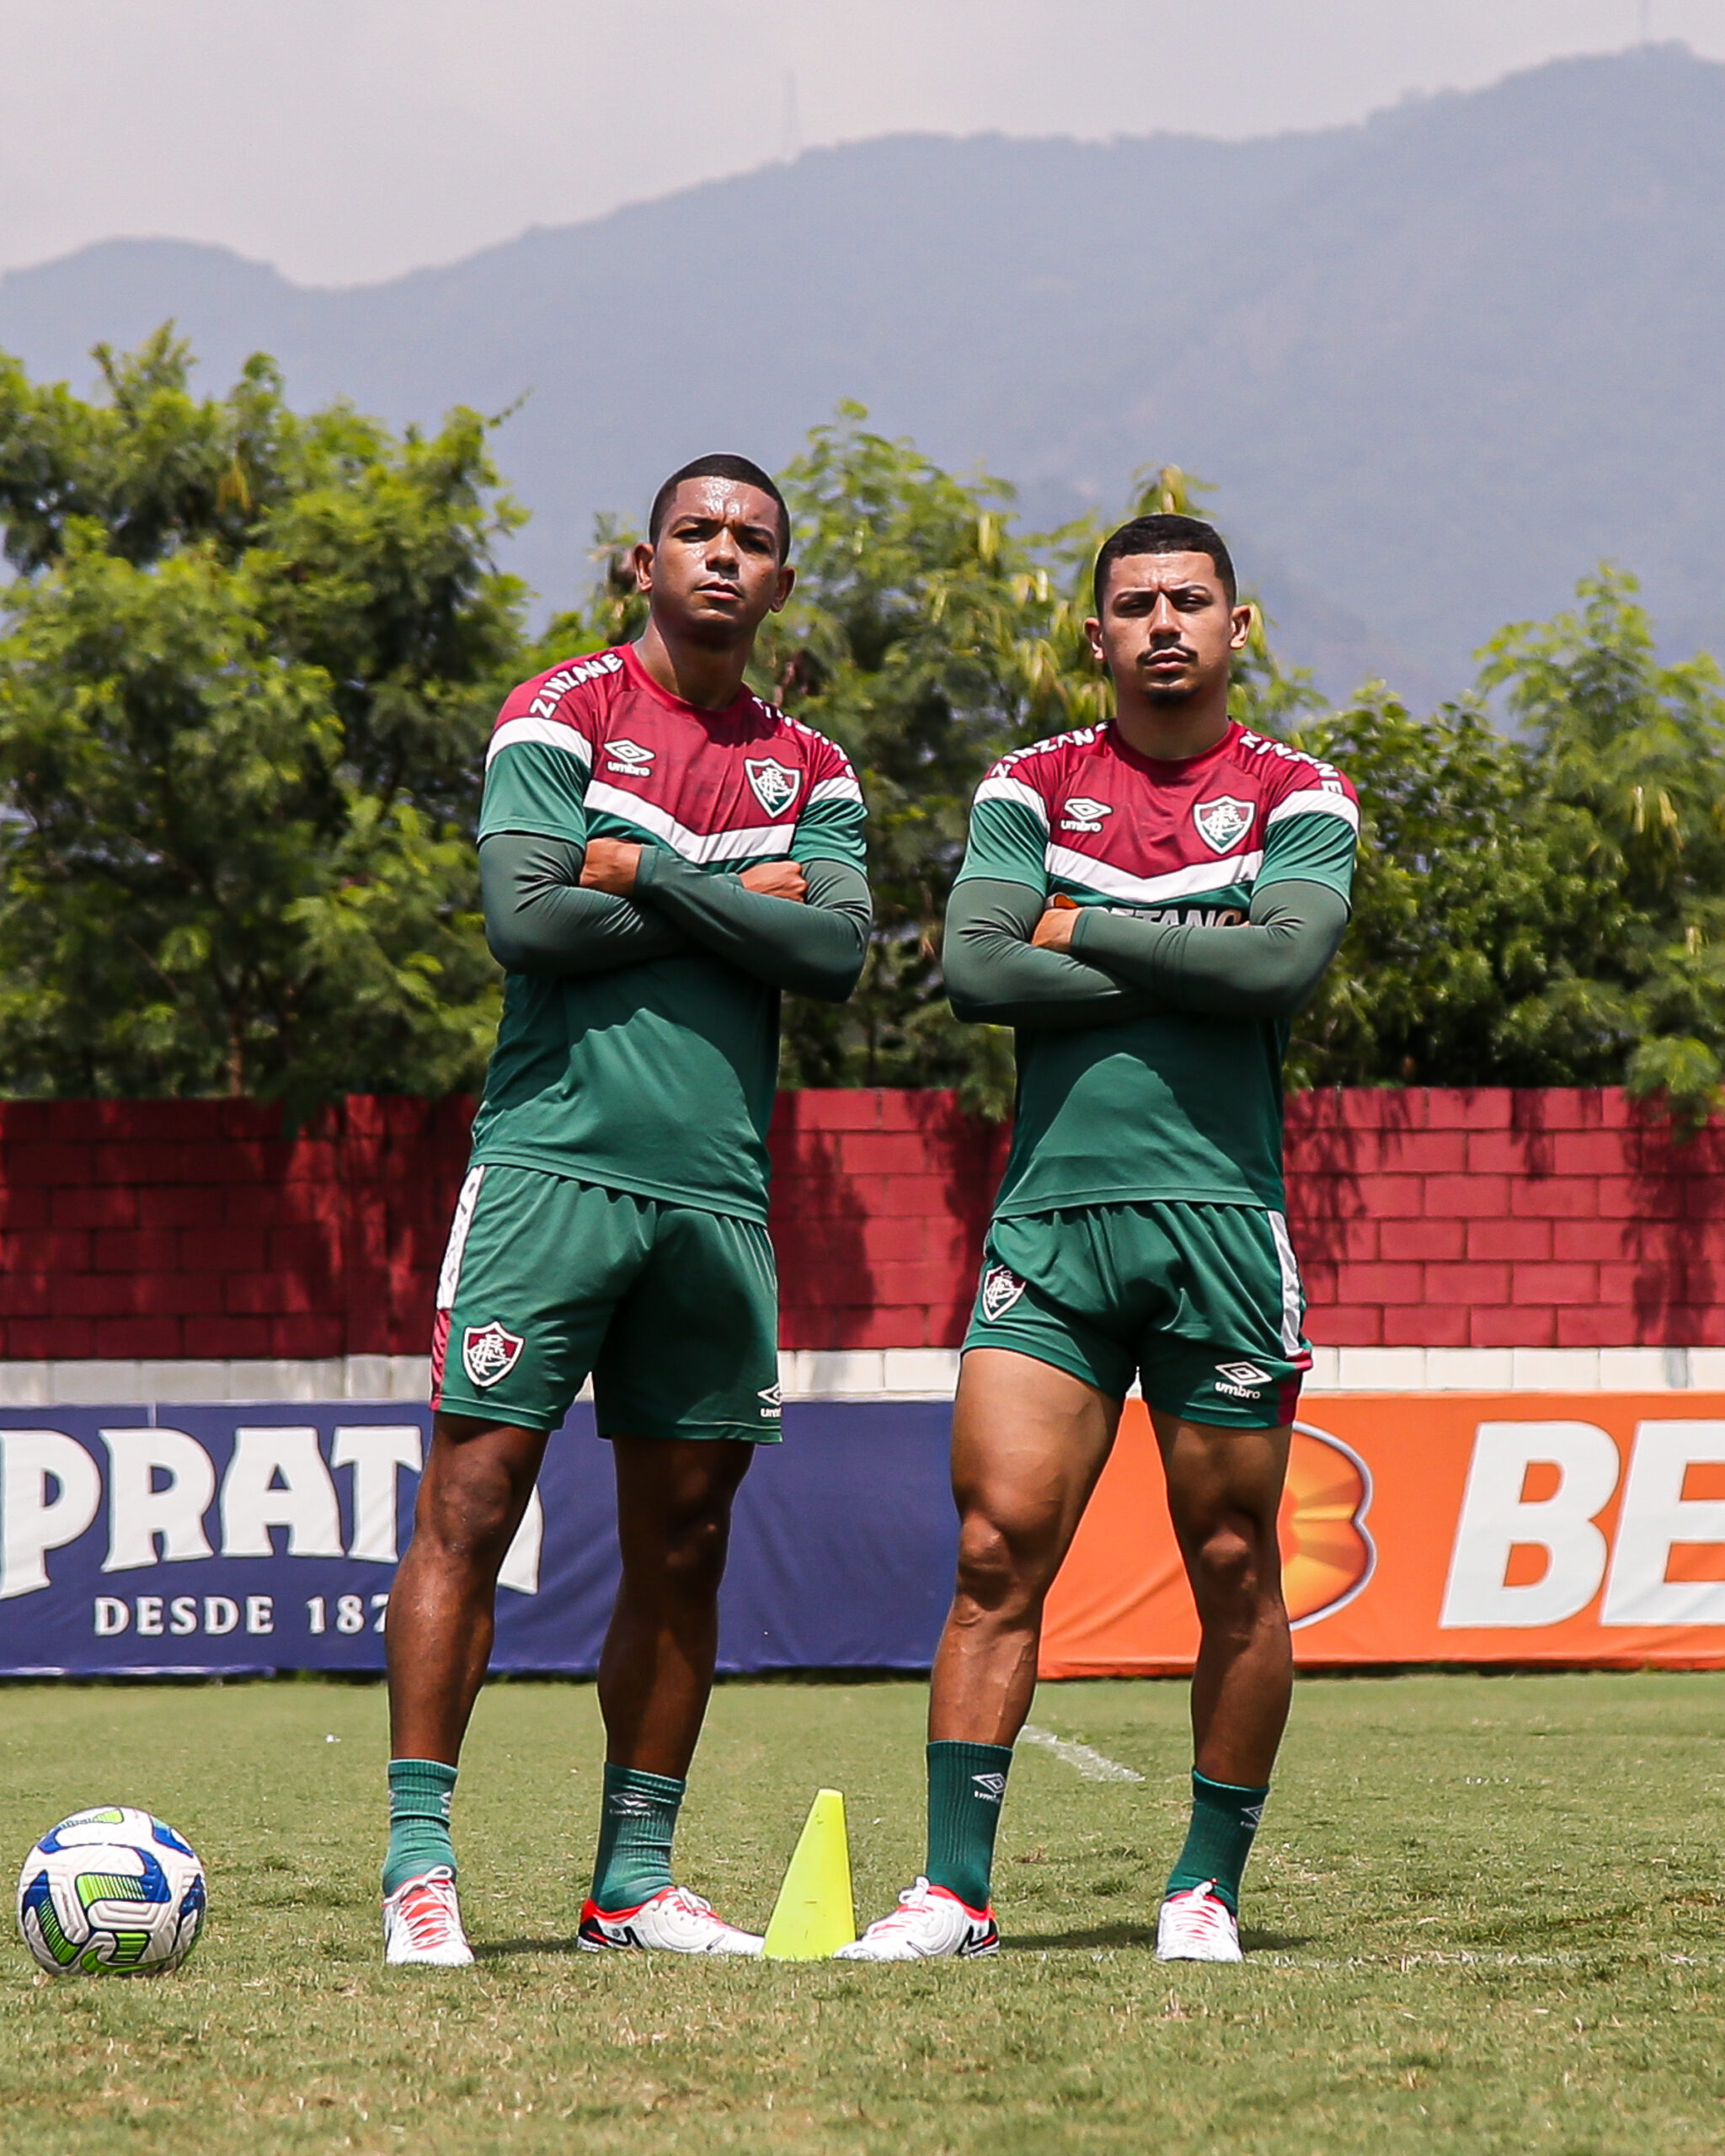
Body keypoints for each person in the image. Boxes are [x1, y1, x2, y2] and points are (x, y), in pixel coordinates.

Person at [841, 513, 1356, 1964]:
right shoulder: (1033, 782)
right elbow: (976, 968)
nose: (1166, 624)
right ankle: (953, 1892)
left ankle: (1204, 1886)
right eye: (1137, 605)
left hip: (1219, 1228)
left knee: (1235, 1561)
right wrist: (1190, 951)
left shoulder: (1300, 792)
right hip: (1050, 1232)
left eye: (1194, 600)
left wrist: (1088, 929)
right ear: (1098, 635)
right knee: (998, 1550)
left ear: (1238, 625)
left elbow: (1284, 964)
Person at [380, 455, 870, 1965]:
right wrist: (746, 894)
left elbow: (839, 952)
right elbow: (529, 919)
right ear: (639, 562)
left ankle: (631, 1885)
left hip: (714, 1200)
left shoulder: (821, 767)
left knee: (687, 1546)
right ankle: (420, 1870)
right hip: (549, 1173)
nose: (724, 555)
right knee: (470, 1510)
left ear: (782, 585)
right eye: (697, 533)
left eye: (754, 542)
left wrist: (642, 870)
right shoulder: (560, 712)